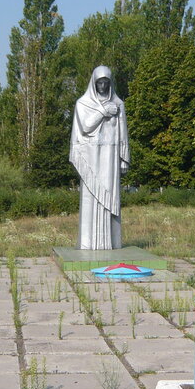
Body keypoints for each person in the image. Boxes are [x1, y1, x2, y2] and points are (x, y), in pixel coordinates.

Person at [70, 65, 130, 250]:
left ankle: (110, 243)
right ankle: (89, 243)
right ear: (93, 83)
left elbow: (123, 134)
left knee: (110, 195)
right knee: (91, 196)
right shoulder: (83, 103)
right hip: (90, 156)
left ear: (110, 83)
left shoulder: (118, 104)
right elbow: (86, 126)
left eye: (106, 82)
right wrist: (103, 111)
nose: (102, 86)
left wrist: (123, 158)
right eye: (99, 82)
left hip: (110, 155)